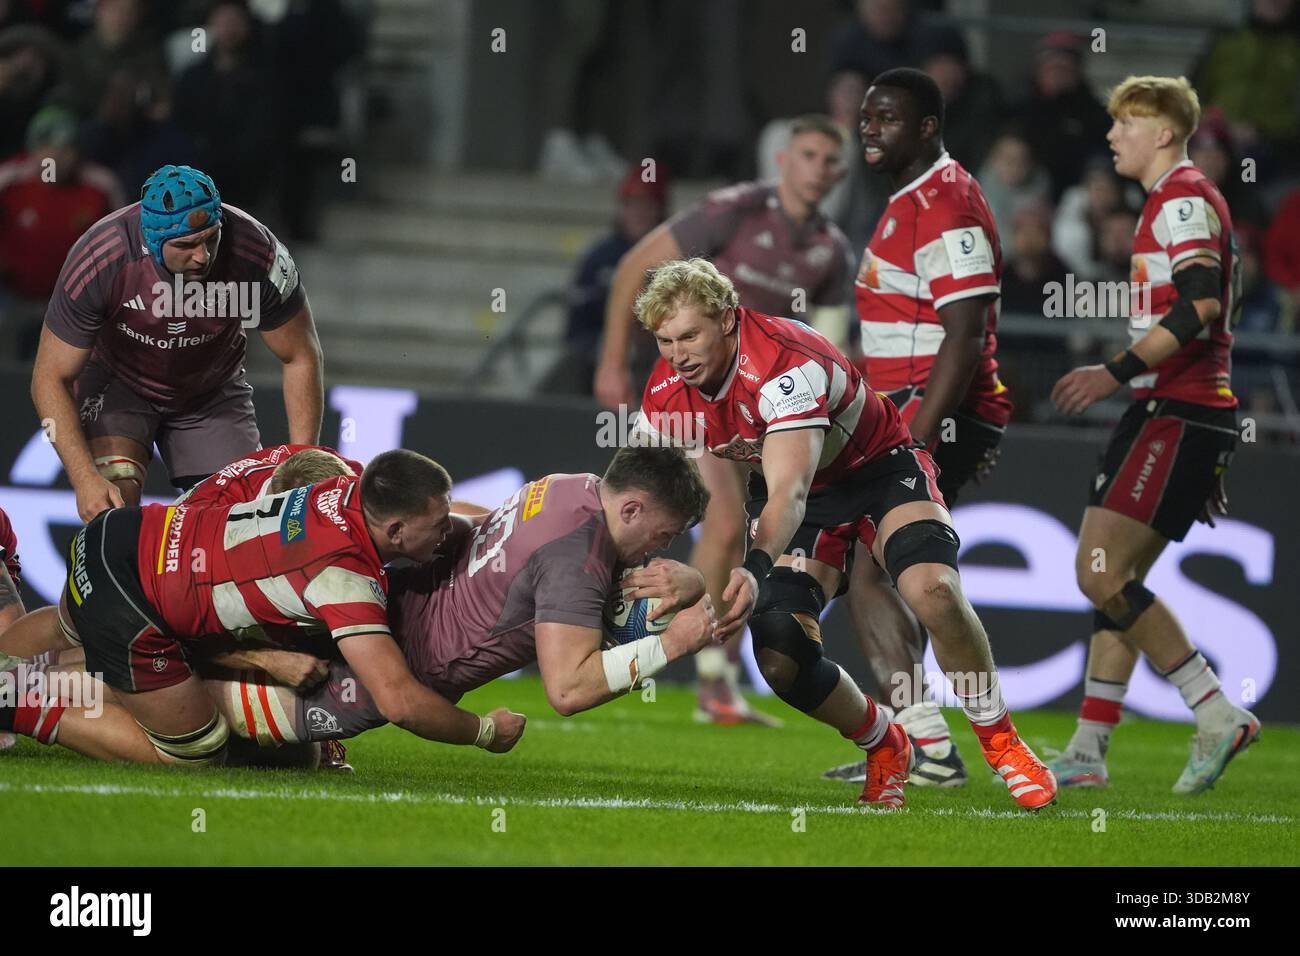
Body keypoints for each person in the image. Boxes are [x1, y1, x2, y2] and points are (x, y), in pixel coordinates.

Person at [634, 257, 1057, 811]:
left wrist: (754, 565)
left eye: (689, 335)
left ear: (729, 320)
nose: (678, 354)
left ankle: (1002, 742)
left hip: (877, 471)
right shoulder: (666, 390)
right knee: (782, 656)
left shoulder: (784, 367)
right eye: (665, 341)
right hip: (801, 497)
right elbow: (641, 487)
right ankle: (886, 742)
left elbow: (790, 491)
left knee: (934, 590)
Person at [3, 448, 717, 766]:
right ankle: (18, 701)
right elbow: (555, 688)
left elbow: (472, 521)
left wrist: (678, 581)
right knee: (198, 748)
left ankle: (24, 658)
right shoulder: (347, 577)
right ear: (395, 530)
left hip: (129, 542)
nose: (449, 535)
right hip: (145, 604)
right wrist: (479, 733)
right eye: (665, 531)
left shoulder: (566, 486)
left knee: (87, 626)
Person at [594, 114, 853, 725]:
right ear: (784, 159)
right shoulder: (734, 209)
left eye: (830, 160)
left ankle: (709, 672)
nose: (820, 170)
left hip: (773, 406)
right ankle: (699, 669)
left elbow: (829, 342)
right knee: (721, 520)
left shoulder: (833, 251)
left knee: (743, 529)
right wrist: (611, 362)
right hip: (698, 396)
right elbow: (638, 266)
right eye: (809, 155)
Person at [1050, 76, 1259, 793]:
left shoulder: (1182, 198)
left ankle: (1214, 712)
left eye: (1125, 123)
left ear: (1164, 132)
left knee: (1099, 573)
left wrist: (1112, 373)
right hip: (1178, 414)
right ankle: (1086, 750)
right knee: (1115, 579)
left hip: (1175, 410)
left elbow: (1202, 302)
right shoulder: (1175, 201)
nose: (1112, 136)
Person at [824, 68, 1015, 788]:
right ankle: (920, 737)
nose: (870, 128)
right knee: (873, 570)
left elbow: (964, 336)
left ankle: (928, 741)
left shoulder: (947, 202)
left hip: (930, 413)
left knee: (881, 569)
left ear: (928, 128)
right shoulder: (912, 198)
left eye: (888, 118)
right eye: (866, 116)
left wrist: (927, 434)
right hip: (910, 410)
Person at [31, 163, 325, 523]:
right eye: (186, 245)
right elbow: (48, 377)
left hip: (211, 390)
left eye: (211, 238)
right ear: (152, 244)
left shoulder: (257, 253)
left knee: (237, 521)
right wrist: (84, 479)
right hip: (117, 383)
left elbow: (300, 356)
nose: (203, 256)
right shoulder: (101, 256)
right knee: (112, 513)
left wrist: (301, 461)